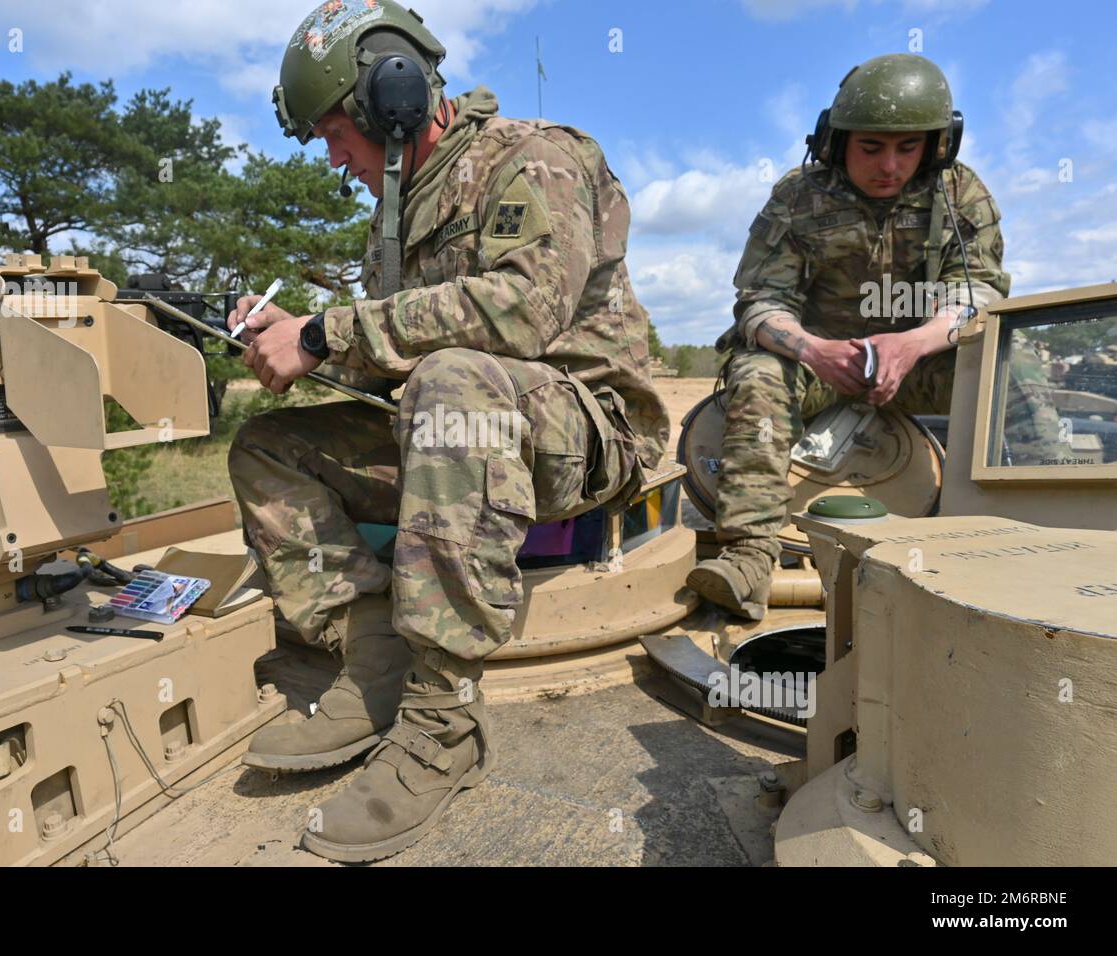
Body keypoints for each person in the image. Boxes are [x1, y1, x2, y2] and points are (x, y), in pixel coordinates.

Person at [226, 0, 668, 862]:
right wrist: (295, 343)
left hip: (586, 431)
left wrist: (326, 330)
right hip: (457, 427)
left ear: (390, 98)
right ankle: (375, 656)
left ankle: (443, 721)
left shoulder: (535, 158)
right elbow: (392, 354)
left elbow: (519, 315)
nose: (332, 160)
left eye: (333, 136)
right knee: (268, 445)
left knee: (451, 378)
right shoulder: (396, 212)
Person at [686, 53, 1010, 621]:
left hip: (921, 361)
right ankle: (748, 556)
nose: (889, 165)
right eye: (871, 148)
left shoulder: (960, 194)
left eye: (907, 148)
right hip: (822, 364)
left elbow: (981, 292)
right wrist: (814, 349)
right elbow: (759, 302)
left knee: (1007, 375)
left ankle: (1011, 541)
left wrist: (913, 344)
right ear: (837, 142)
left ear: (938, 144)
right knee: (758, 373)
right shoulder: (797, 194)